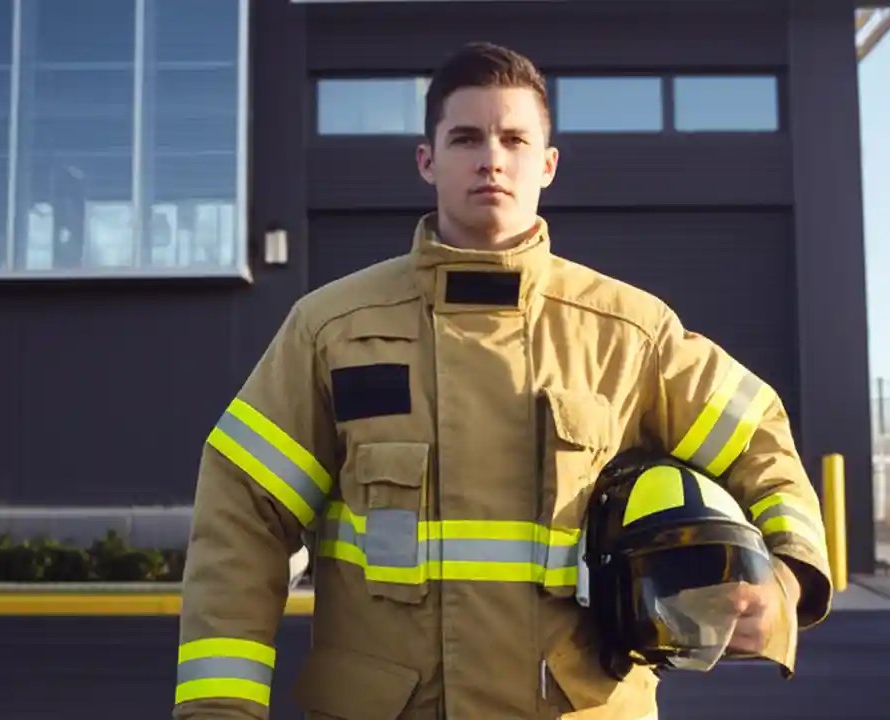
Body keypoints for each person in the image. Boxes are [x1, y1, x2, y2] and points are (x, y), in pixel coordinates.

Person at [172, 41, 832, 720]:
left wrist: (786, 577)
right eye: (465, 137)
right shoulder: (331, 331)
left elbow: (759, 441)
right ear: (427, 160)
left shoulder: (629, 335)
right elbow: (242, 518)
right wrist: (219, 708)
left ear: (546, 165)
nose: (491, 157)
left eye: (514, 138)